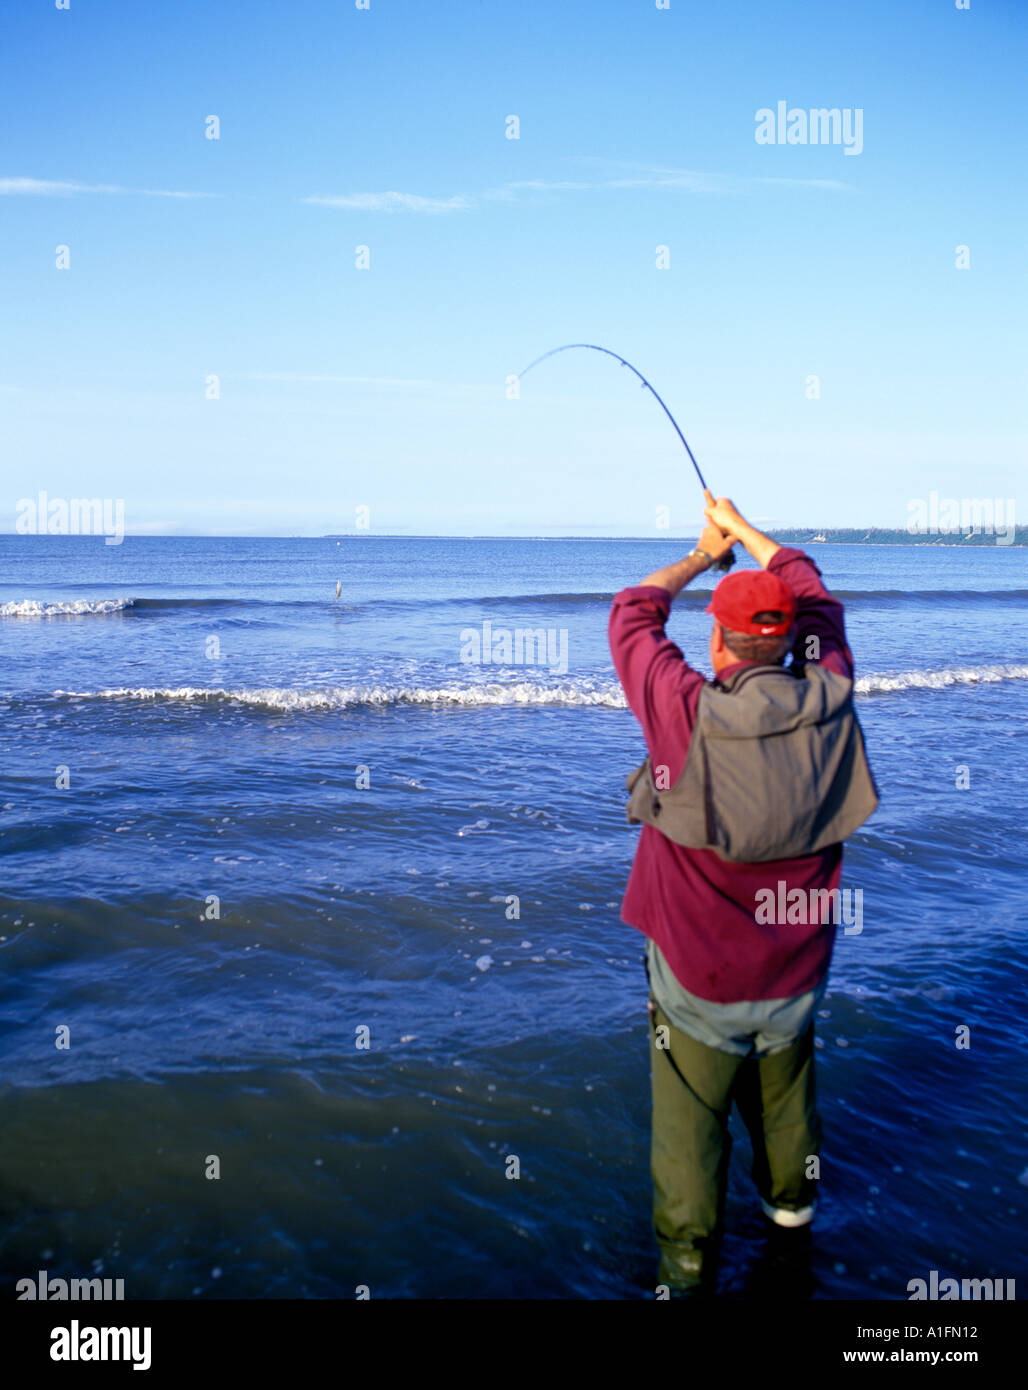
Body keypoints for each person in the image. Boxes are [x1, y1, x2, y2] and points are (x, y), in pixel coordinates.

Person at [608, 492, 877, 1296]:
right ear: (791, 637)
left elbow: (631, 613)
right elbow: (815, 590)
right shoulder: (832, 692)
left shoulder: (686, 712)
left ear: (717, 643)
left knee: (690, 1124)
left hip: (701, 980)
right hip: (796, 972)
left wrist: (703, 553)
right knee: (787, 1093)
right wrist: (748, 534)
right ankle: (791, 1216)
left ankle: (689, 1266)